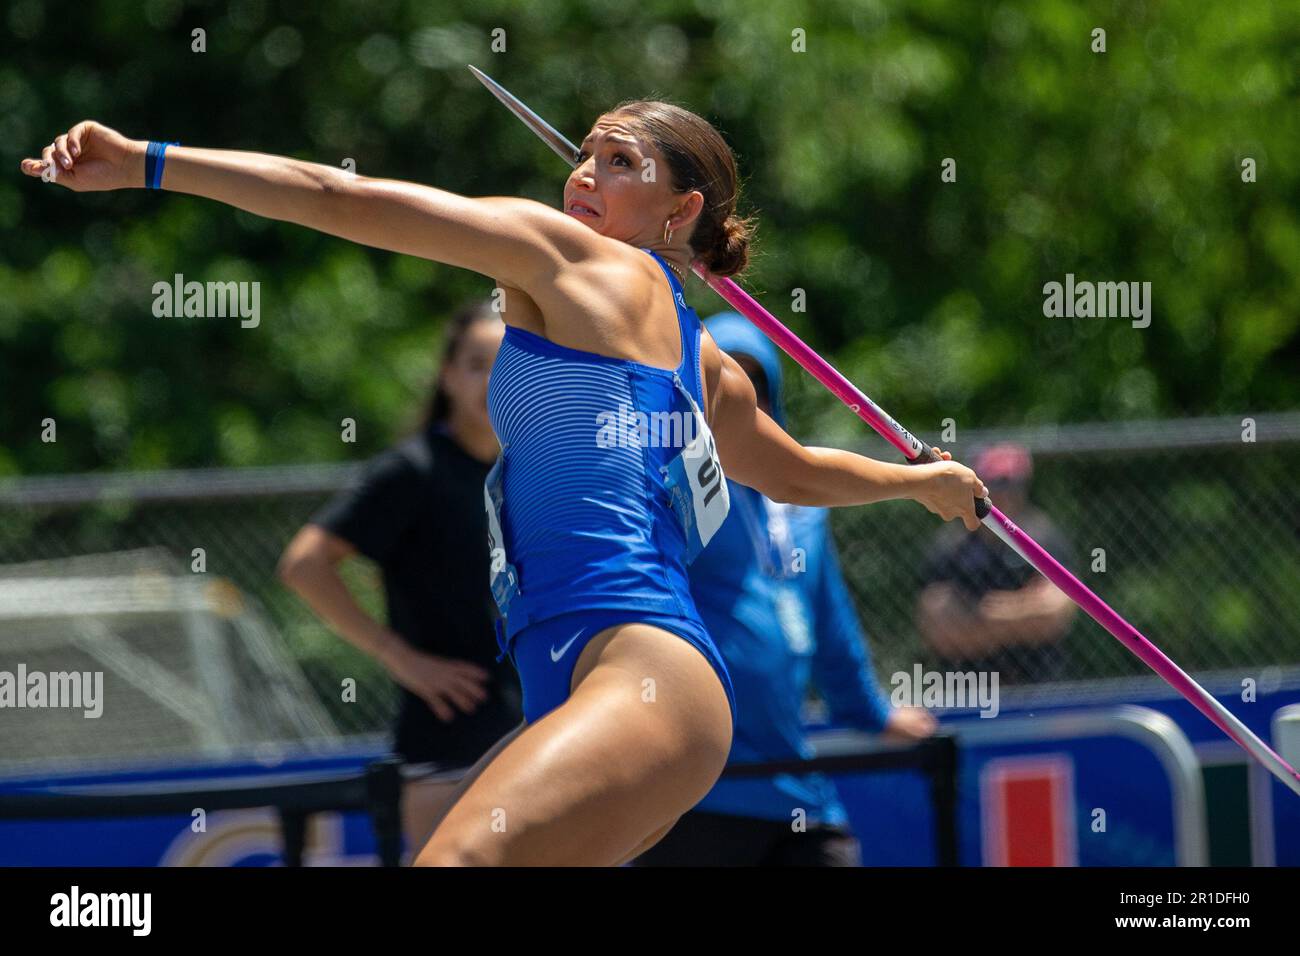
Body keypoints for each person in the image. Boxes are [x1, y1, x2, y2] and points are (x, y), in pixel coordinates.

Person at [23, 108, 987, 866]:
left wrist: (151, 161)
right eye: (584, 155)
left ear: (681, 210)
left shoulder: (575, 258)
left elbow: (335, 195)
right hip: (593, 683)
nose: (584, 174)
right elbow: (798, 472)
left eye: (619, 161)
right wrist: (916, 484)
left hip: (642, 665)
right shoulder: (700, 358)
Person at [632, 312, 936, 867]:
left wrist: (872, 714)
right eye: (721, 389)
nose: (738, 408)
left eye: (753, 388)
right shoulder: (669, 493)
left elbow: (829, 628)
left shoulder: (801, 512)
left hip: (791, 780)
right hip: (695, 787)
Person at [276, 301, 522, 854]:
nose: (492, 379)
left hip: (529, 733)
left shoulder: (522, 469)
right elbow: (303, 565)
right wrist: (401, 658)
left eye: (506, 363)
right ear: (448, 375)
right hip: (445, 744)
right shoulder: (413, 470)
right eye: (477, 364)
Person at [917, 442, 1076, 684]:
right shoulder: (951, 546)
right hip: (967, 690)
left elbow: (1054, 615)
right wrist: (1024, 611)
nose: (1005, 495)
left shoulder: (1042, 538)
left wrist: (979, 617)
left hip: (1040, 688)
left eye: (1012, 485)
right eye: (995, 486)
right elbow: (942, 632)